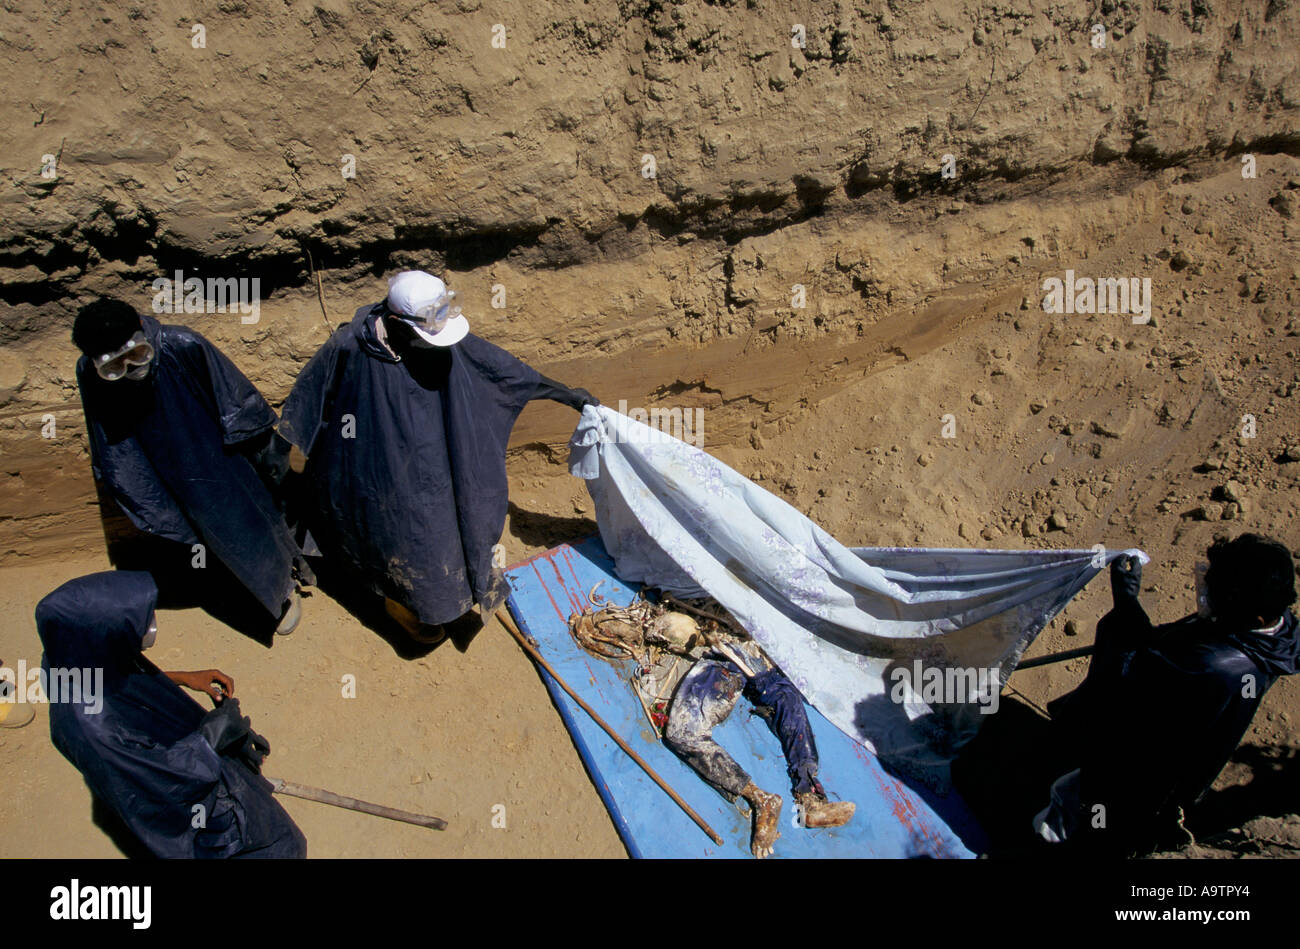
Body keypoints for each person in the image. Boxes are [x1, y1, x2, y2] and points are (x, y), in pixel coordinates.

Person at [279, 270, 596, 644]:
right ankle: (409, 614)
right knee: (404, 547)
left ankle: (439, 598)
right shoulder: (348, 347)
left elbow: (502, 372)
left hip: (438, 467)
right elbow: (311, 405)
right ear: (396, 323)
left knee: (455, 529)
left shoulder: (443, 341)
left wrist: (564, 394)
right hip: (379, 474)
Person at [1036, 533, 1300, 854]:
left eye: (1217, 596)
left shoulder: (1215, 665)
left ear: (1250, 615)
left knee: (1091, 809)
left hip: (1144, 767)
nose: (1206, 597)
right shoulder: (1278, 629)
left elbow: (1128, 675)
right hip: (1181, 757)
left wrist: (1126, 601)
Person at [72, 298, 304, 635]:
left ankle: (280, 593)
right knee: (192, 535)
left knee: (246, 530)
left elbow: (235, 399)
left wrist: (260, 450)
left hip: (217, 463)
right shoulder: (88, 372)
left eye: (135, 356)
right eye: (115, 367)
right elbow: (103, 430)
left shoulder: (182, 344)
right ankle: (229, 584)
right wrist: (127, 480)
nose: (130, 370)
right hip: (155, 463)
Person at [36, 571, 306, 858]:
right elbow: (158, 786)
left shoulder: (73, 654)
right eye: (138, 623)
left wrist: (182, 678)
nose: (152, 625)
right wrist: (210, 741)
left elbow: (122, 680)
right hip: (200, 816)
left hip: (181, 756)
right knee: (282, 847)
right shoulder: (93, 731)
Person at [571, 596, 855, 858]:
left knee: (778, 697)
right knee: (695, 728)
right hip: (724, 654)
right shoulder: (658, 618)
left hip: (735, 647)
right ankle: (774, 798)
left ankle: (806, 798)